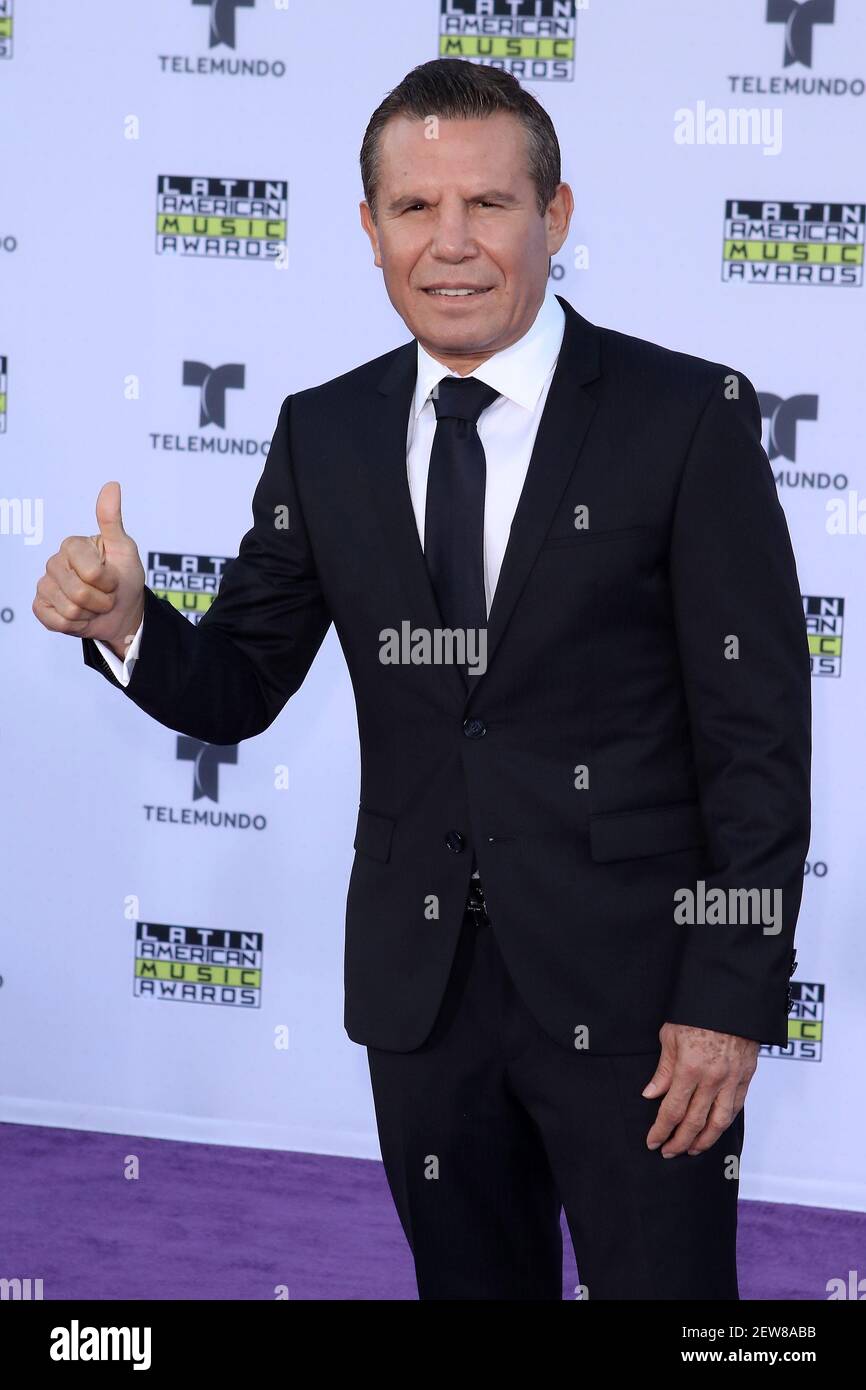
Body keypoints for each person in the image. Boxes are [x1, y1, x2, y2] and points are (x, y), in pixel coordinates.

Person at [33, 58, 811, 1301]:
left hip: (641, 1007)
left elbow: (757, 737)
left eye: (488, 206)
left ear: (553, 218)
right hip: (424, 998)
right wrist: (133, 622)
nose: (449, 244)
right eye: (413, 209)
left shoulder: (684, 416)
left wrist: (724, 1000)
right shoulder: (323, 431)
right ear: (368, 229)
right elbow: (237, 681)